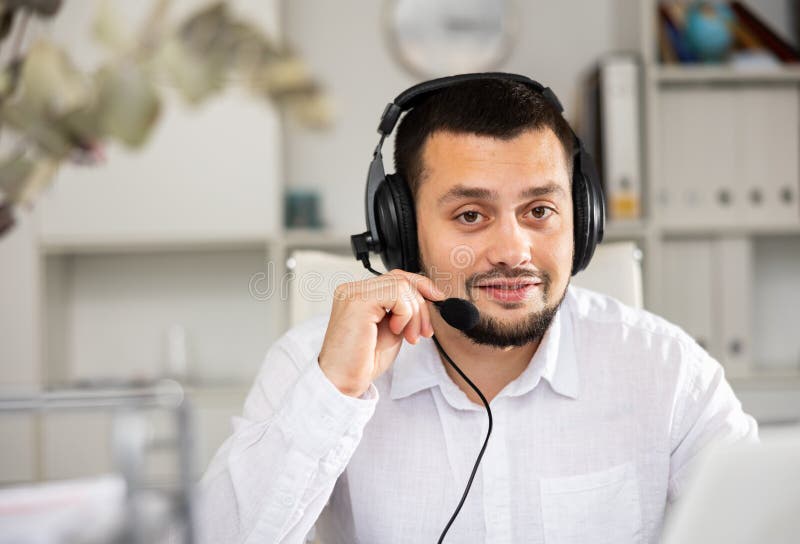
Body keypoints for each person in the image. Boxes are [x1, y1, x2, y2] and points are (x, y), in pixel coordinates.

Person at [197, 74, 758, 543]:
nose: (513, 251)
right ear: (401, 233)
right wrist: (331, 395)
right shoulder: (311, 366)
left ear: (582, 221)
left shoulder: (668, 371)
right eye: (470, 215)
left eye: (539, 209)